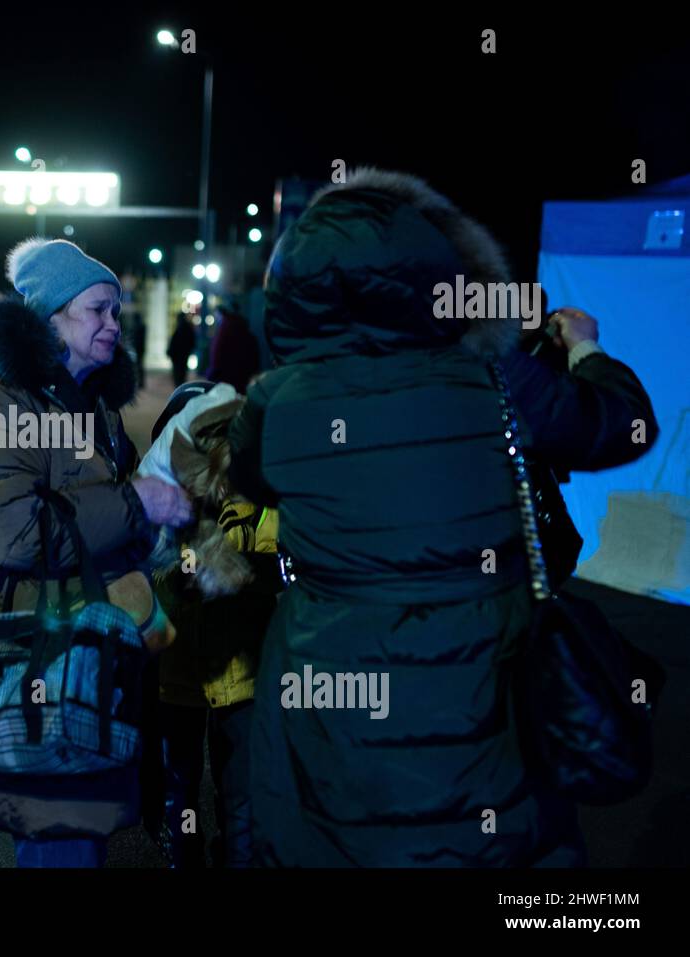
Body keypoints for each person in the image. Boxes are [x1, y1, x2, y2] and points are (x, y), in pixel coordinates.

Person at [226, 167, 660, 867]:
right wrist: (584, 347)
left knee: (335, 838)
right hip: (480, 686)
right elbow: (621, 426)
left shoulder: (276, 399)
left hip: (327, 687)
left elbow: (253, 480)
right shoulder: (496, 380)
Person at [0, 238, 193, 868]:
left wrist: (166, 523)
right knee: (60, 829)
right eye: (98, 310)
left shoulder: (90, 402)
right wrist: (138, 504)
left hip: (82, 647)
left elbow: (104, 514)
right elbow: (14, 534)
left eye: (116, 311)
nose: (113, 325)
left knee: (80, 819)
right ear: (52, 318)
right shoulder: (6, 402)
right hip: (29, 653)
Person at [139, 380, 282, 867]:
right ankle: (184, 855)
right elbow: (144, 571)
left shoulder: (258, 494)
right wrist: (184, 573)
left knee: (238, 791)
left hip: (240, 675)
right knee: (180, 787)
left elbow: (277, 564)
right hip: (176, 677)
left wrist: (239, 572)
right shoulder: (162, 500)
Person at [205, 304, 261, 393]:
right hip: (242, 377)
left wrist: (211, 373)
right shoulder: (244, 328)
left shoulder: (224, 329)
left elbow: (217, 355)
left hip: (225, 378)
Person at [167, 313, 195, 387]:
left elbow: (174, 343)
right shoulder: (187, 327)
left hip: (177, 356)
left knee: (178, 374)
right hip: (183, 355)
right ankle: (180, 387)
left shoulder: (180, 328)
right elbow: (192, 342)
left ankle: (179, 388)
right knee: (182, 374)